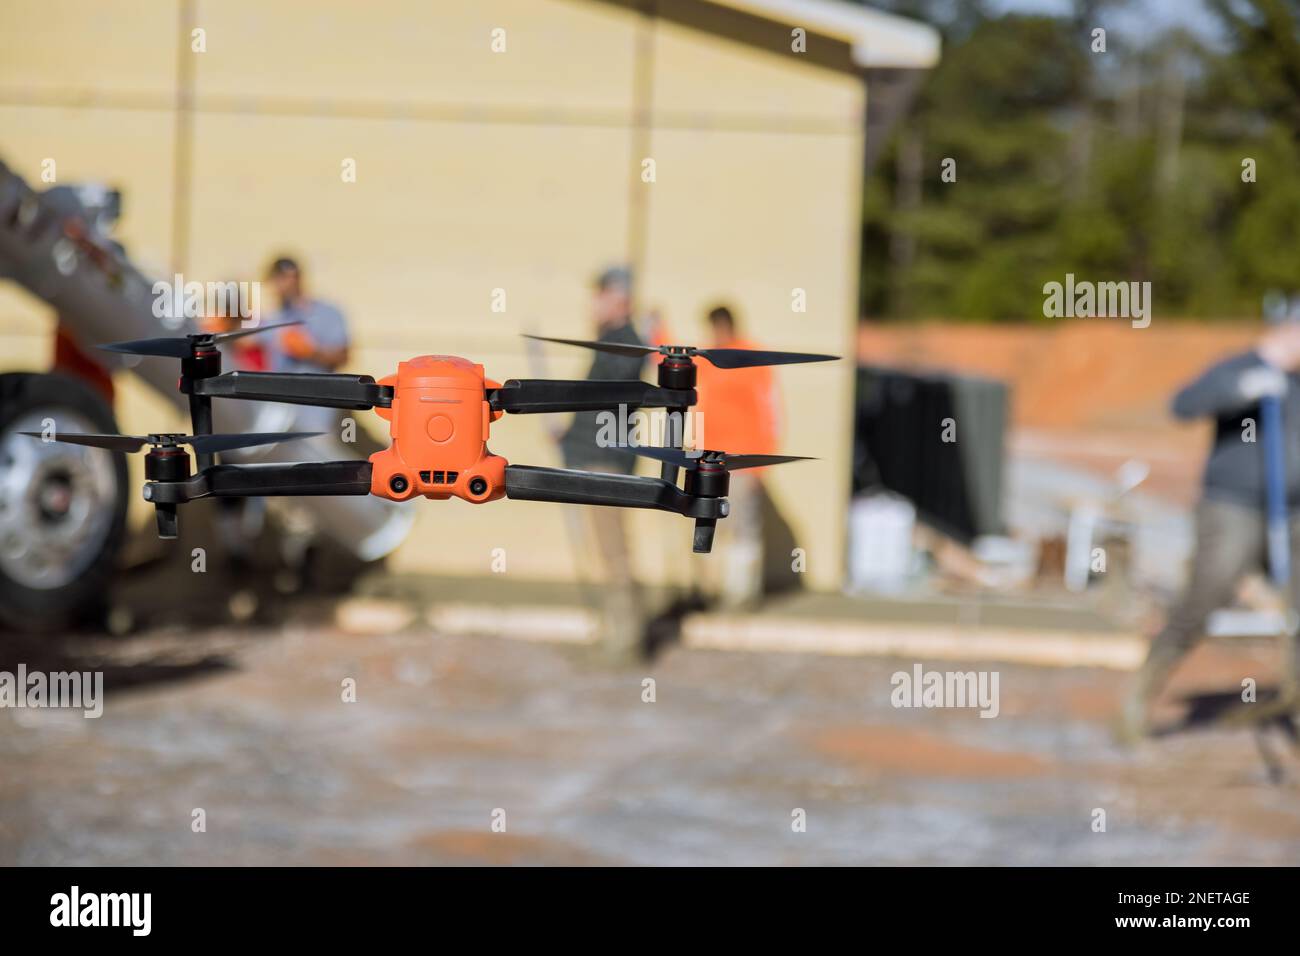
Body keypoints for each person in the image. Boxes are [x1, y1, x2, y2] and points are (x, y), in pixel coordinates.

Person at [1122, 322, 1300, 739]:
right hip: (1232, 507)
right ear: (1285, 334)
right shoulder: (1238, 369)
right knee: (1205, 597)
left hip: (1292, 511)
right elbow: (1184, 405)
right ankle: (1139, 697)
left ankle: (1294, 703)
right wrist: (1243, 388)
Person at [560, 265, 651, 662]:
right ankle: (617, 631)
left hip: (608, 466)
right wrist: (564, 435)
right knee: (607, 551)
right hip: (596, 460)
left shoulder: (625, 344)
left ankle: (627, 638)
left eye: (601, 296)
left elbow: (609, 398)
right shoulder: (612, 342)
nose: (593, 303)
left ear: (620, 299)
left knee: (615, 553)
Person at [692, 305, 780, 608]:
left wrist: (761, 462)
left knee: (743, 524)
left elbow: (770, 410)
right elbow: (676, 364)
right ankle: (715, 590)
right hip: (713, 458)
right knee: (717, 522)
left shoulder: (751, 359)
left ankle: (742, 593)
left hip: (743, 457)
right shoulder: (711, 359)